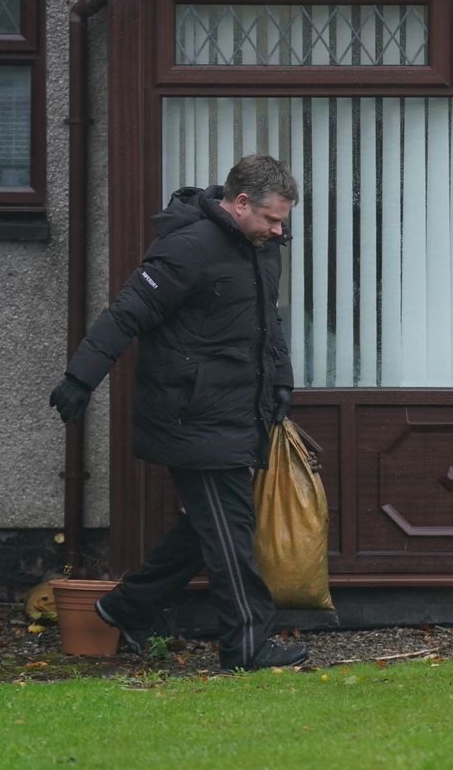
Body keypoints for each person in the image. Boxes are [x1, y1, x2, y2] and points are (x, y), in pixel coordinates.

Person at [49, 154, 307, 670]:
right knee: (232, 531)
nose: (280, 231)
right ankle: (247, 645)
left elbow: (266, 324)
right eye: (272, 219)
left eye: (283, 221)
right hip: (191, 414)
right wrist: (80, 377)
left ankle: (125, 607)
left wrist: (281, 380)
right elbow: (128, 311)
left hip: (237, 411)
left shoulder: (261, 249)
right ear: (240, 203)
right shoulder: (188, 246)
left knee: (212, 525)